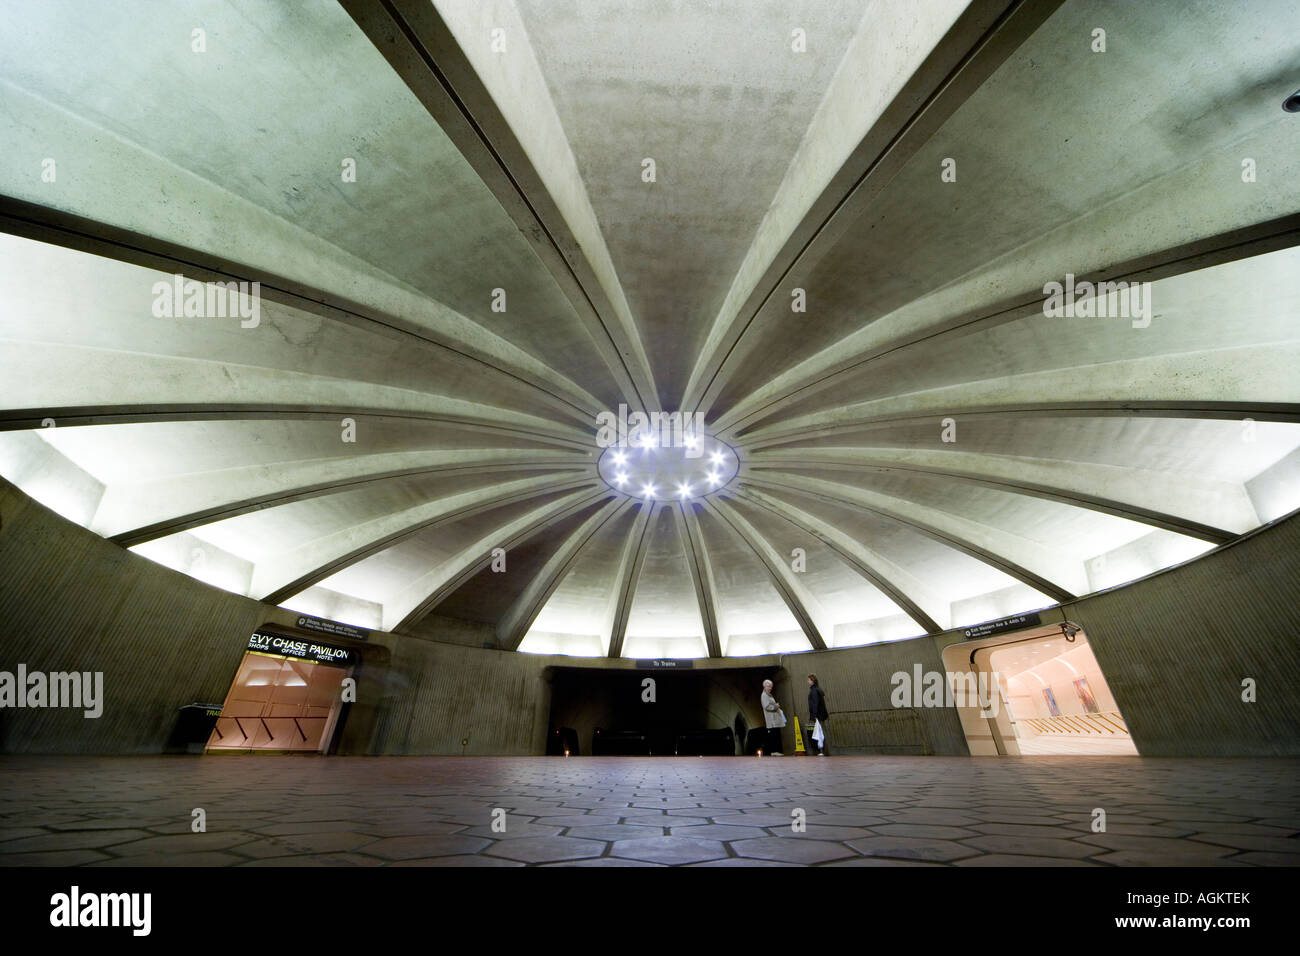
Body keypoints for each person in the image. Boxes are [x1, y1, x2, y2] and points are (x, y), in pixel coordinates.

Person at [760, 679, 784, 755]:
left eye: (771, 686)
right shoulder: (764, 695)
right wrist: (775, 706)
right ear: (764, 686)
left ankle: (776, 751)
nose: (770, 688)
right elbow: (766, 706)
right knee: (773, 735)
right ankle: (774, 751)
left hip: (774, 719)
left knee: (775, 735)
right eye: (768, 686)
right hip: (771, 719)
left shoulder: (768, 695)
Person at [807, 674, 829, 756]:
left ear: (812, 681)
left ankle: (822, 751)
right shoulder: (818, 689)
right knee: (821, 731)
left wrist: (814, 715)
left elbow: (815, 704)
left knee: (820, 733)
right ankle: (823, 750)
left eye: (809, 680)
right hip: (822, 714)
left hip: (818, 715)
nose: (808, 681)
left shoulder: (814, 691)